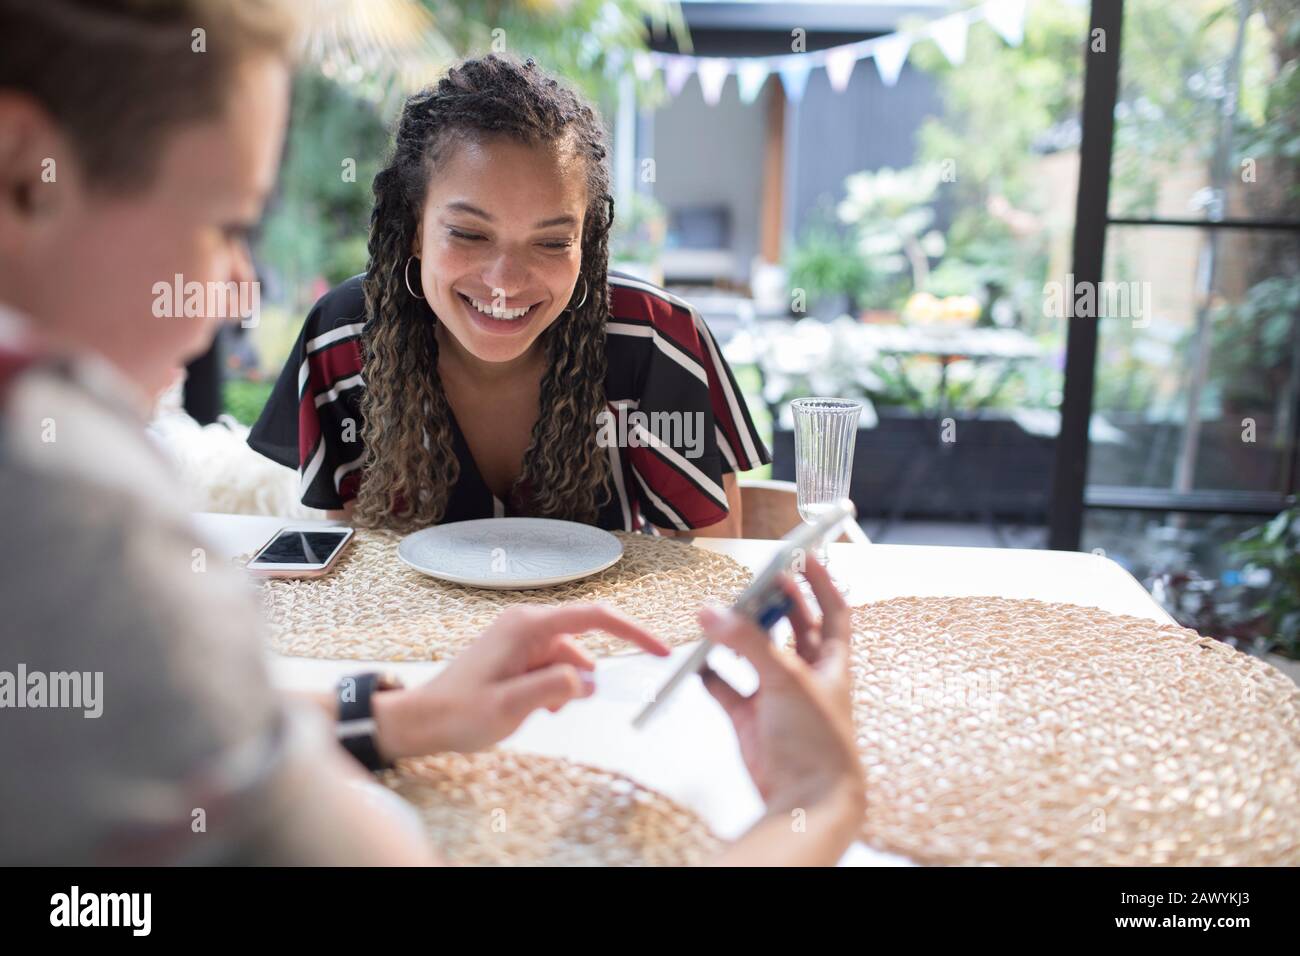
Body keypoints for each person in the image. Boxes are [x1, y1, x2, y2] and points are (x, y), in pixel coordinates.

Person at [0, 0, 864, 866]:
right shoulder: (80, 515)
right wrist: (820, 802)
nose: (232, 294)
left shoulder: (64, 488)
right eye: (225, 224)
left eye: (550, 241)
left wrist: (416, 715)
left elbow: (181, 728)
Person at [248, 54, 770, 538]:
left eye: (551, 242)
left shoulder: (655, 340)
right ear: (414, 227)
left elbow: (709, 574)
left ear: (585, 242)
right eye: (470, 234)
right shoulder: (343, 339)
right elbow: (354, 570)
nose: (506, 281)